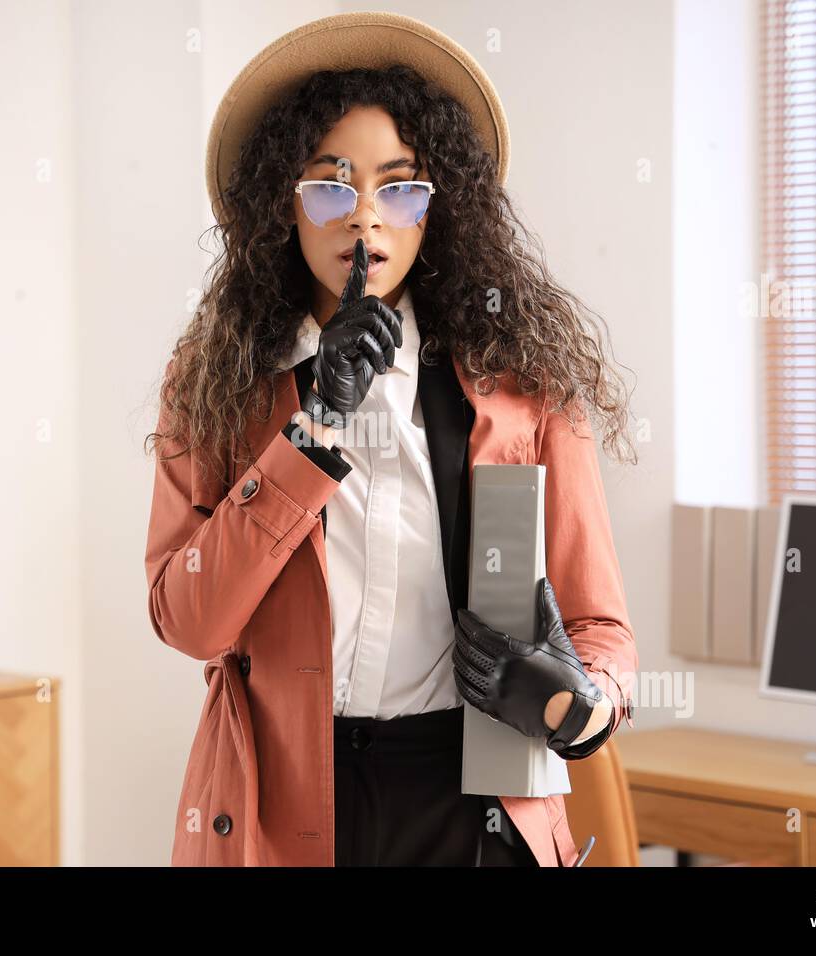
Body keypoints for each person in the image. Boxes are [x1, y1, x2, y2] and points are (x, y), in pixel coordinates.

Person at [144, 12, 638, 867]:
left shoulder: (525, 379)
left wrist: (581, 704)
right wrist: (315, 428)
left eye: (399, 188)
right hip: (286, 799)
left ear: (438, 208)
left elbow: (600, 627)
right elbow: (190, 621)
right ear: (284, 204)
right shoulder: (214, 379)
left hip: (474, 804)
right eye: (331, 187)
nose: (363, 219)